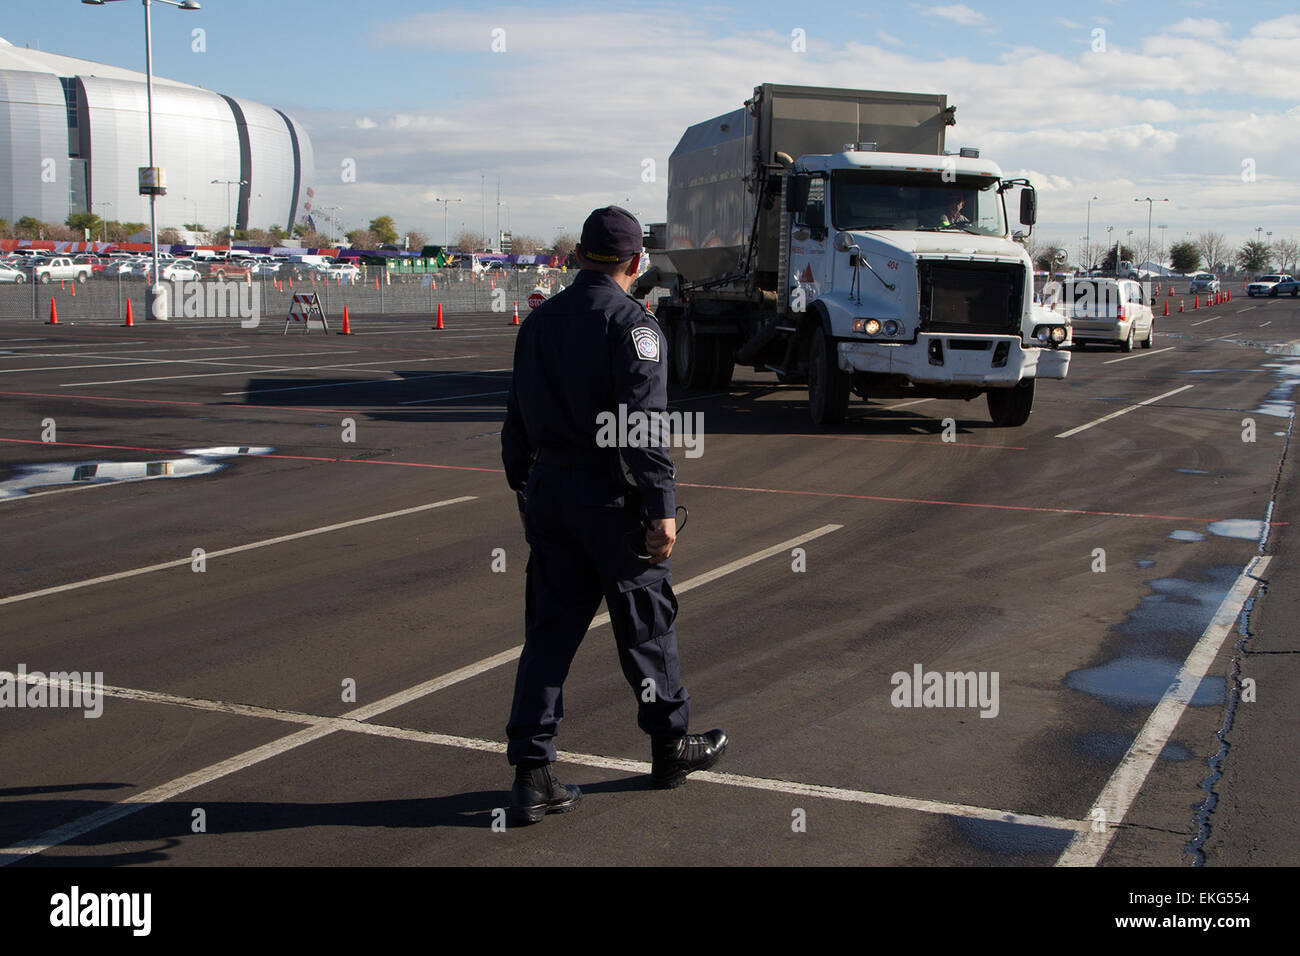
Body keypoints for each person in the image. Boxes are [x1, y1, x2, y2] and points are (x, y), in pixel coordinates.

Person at [500, 205, 727, 825]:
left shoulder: (539, 323)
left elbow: (515, 420)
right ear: (636, 262)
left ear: (577, 256)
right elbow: (644, 424)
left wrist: (526, 491)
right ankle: (669, 744)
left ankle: (531, 771)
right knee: (647, 631)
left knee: (548, 635)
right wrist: (659, 508)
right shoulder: (635, 326)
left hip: (551, 492)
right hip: (613, 500)